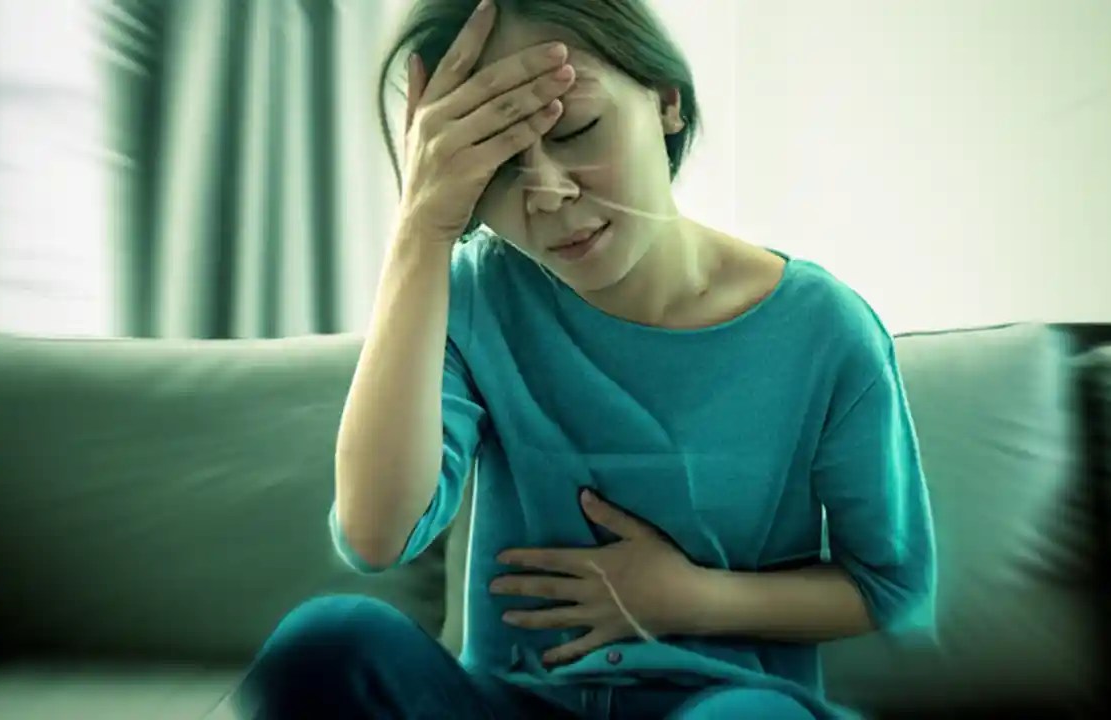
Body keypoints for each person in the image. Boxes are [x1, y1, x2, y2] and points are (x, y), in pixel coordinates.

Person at [234, 0, 937, 718]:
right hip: (517, 702)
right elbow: (375, 533)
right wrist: (422, 227)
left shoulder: (824, 330)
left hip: (725, 703)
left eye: (575, 130)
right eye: (498, 165)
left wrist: (685, 597)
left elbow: (890, 585)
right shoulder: (477, 296)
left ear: (665, 101)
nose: (547, 192)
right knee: (327, 644)